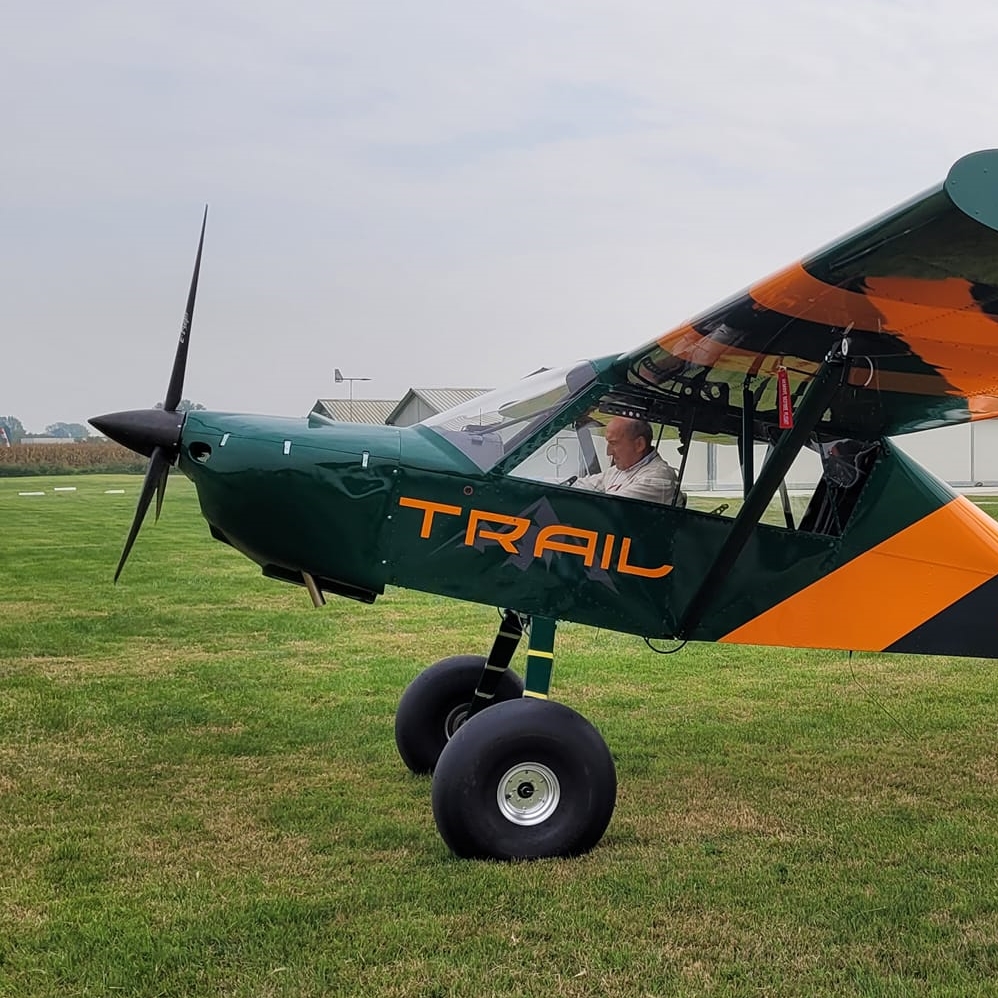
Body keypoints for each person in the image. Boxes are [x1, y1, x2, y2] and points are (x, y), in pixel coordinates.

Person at [572, 416, 682, 505]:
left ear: (639, 444)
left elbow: (609, 506)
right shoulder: (621, 469)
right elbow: (584, 485)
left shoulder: (658, 478)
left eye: (614, 443)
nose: (608, 452)